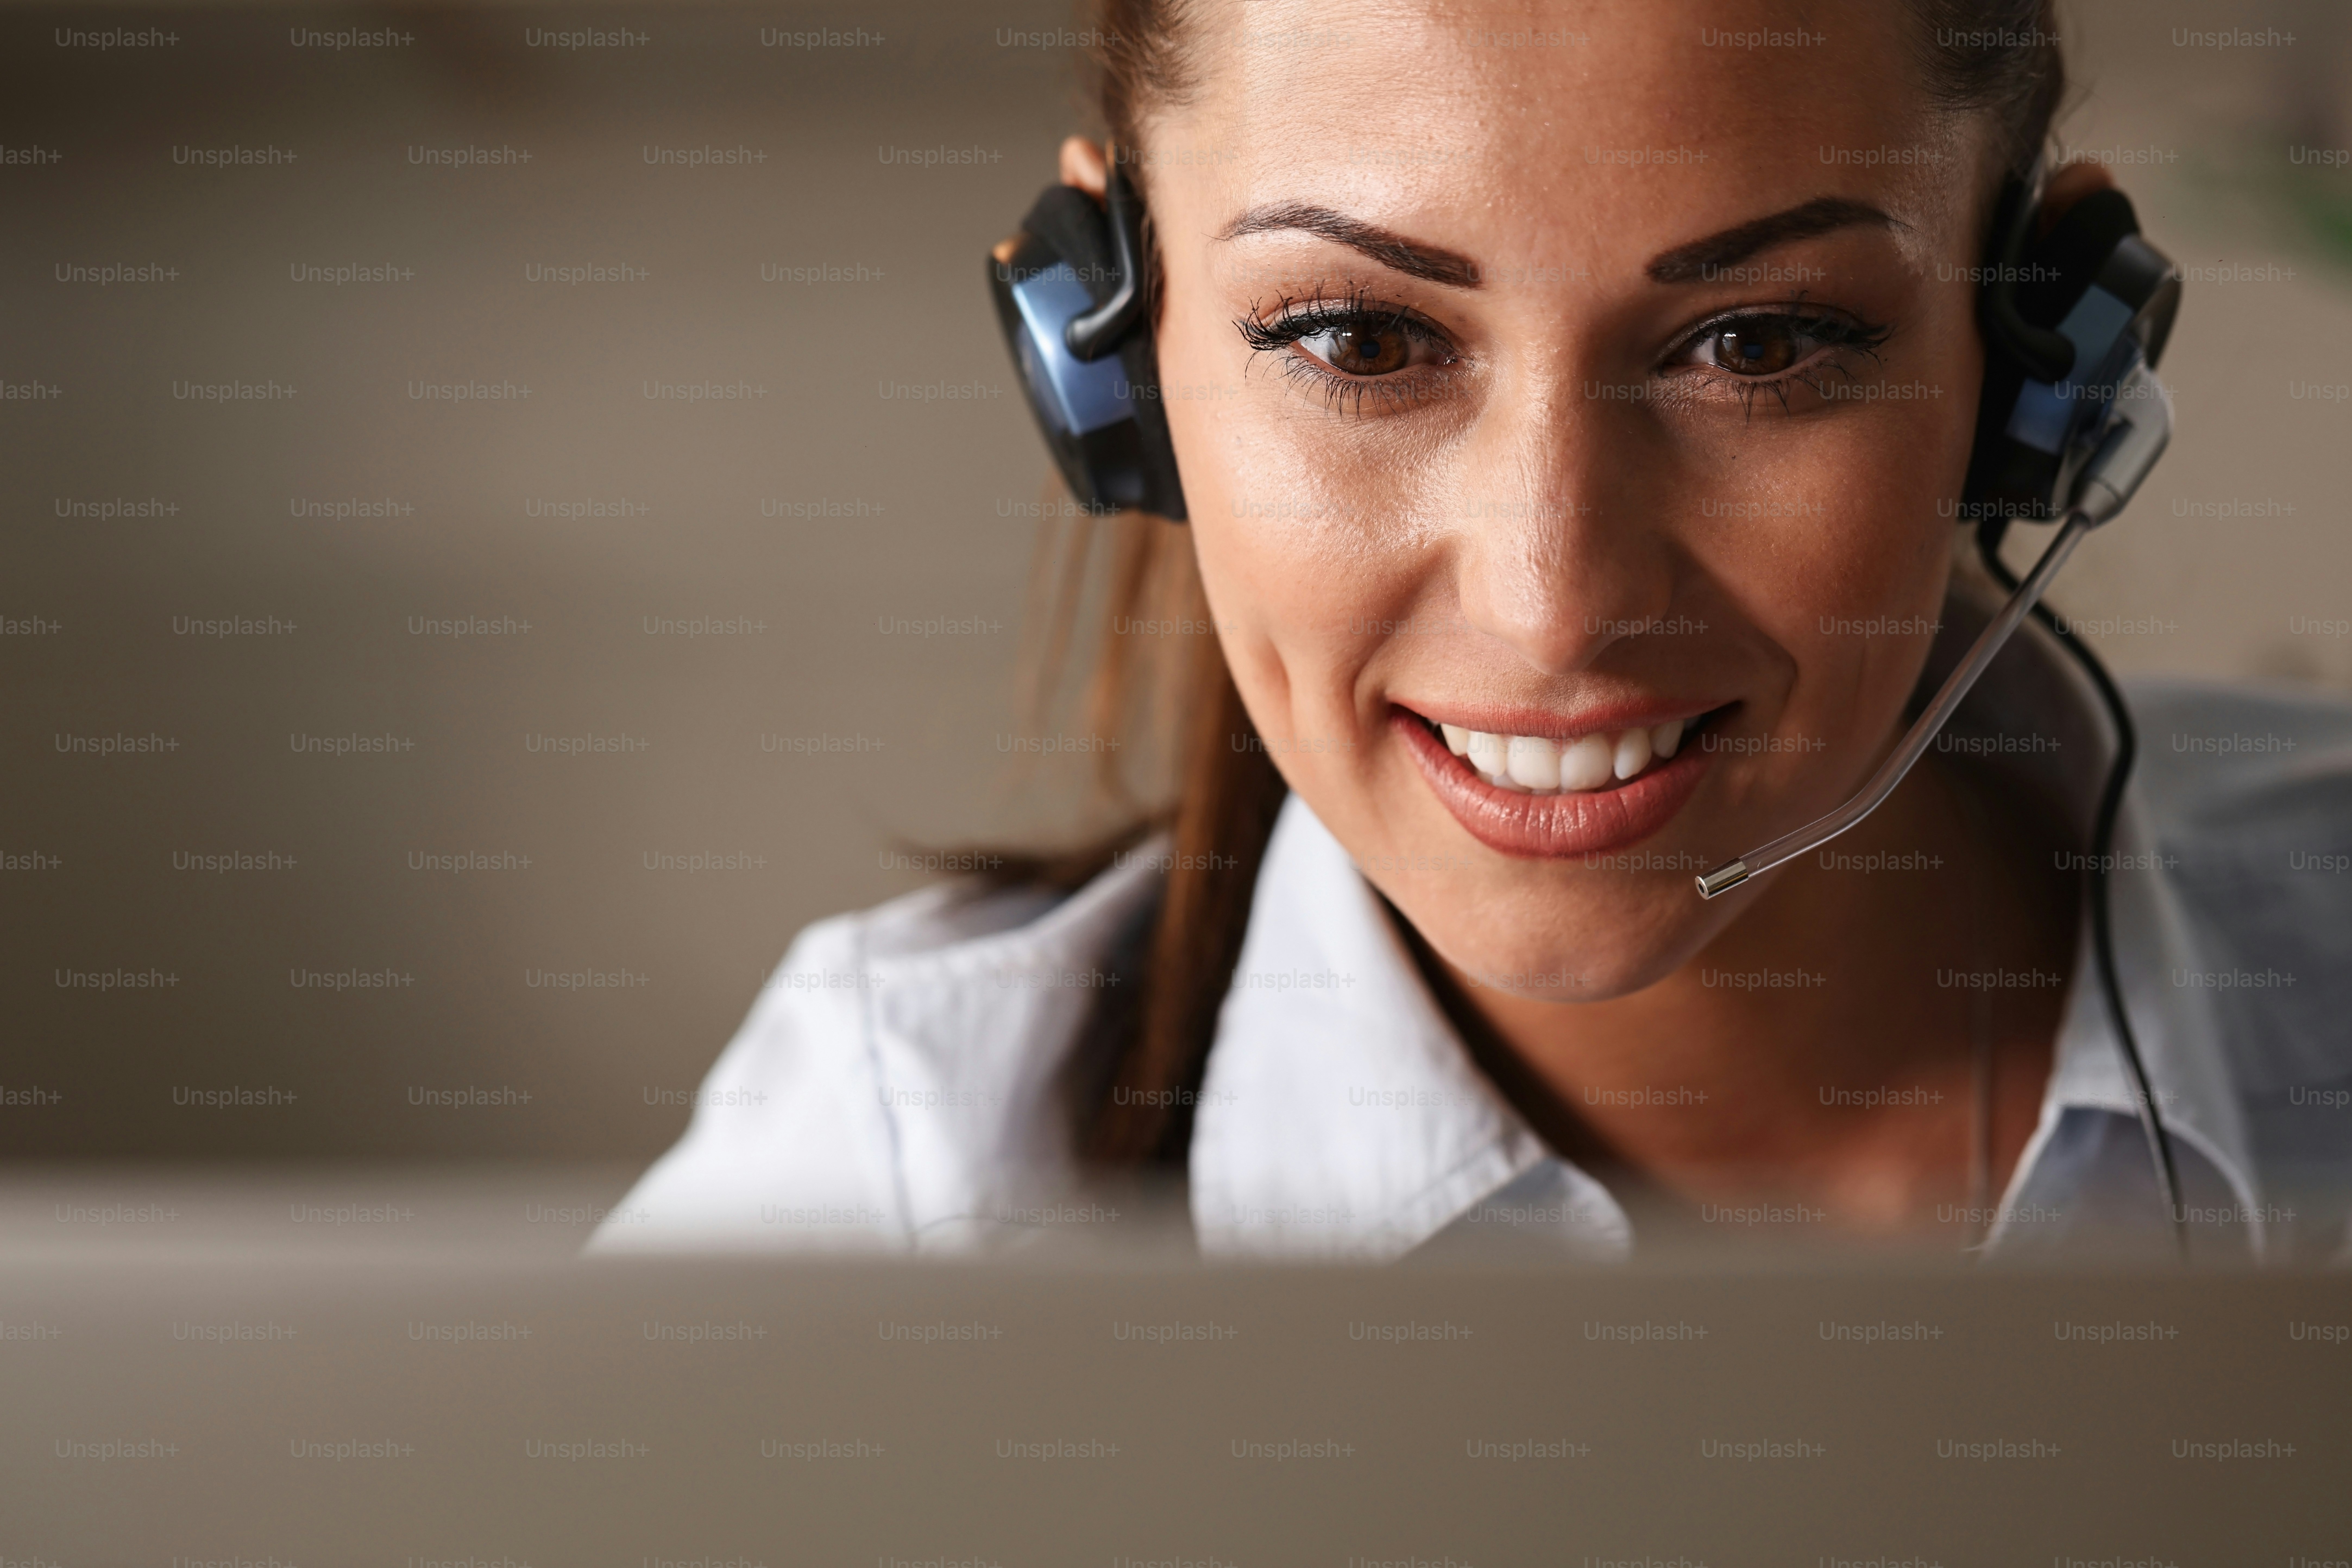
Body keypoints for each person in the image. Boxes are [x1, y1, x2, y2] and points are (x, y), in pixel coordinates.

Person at [591, 0, 2352, 1266]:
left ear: (2045, 369)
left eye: (1755, 346)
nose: (1553, 600)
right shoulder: (894, 1183)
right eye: (1357, 342)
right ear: (1103, 360)